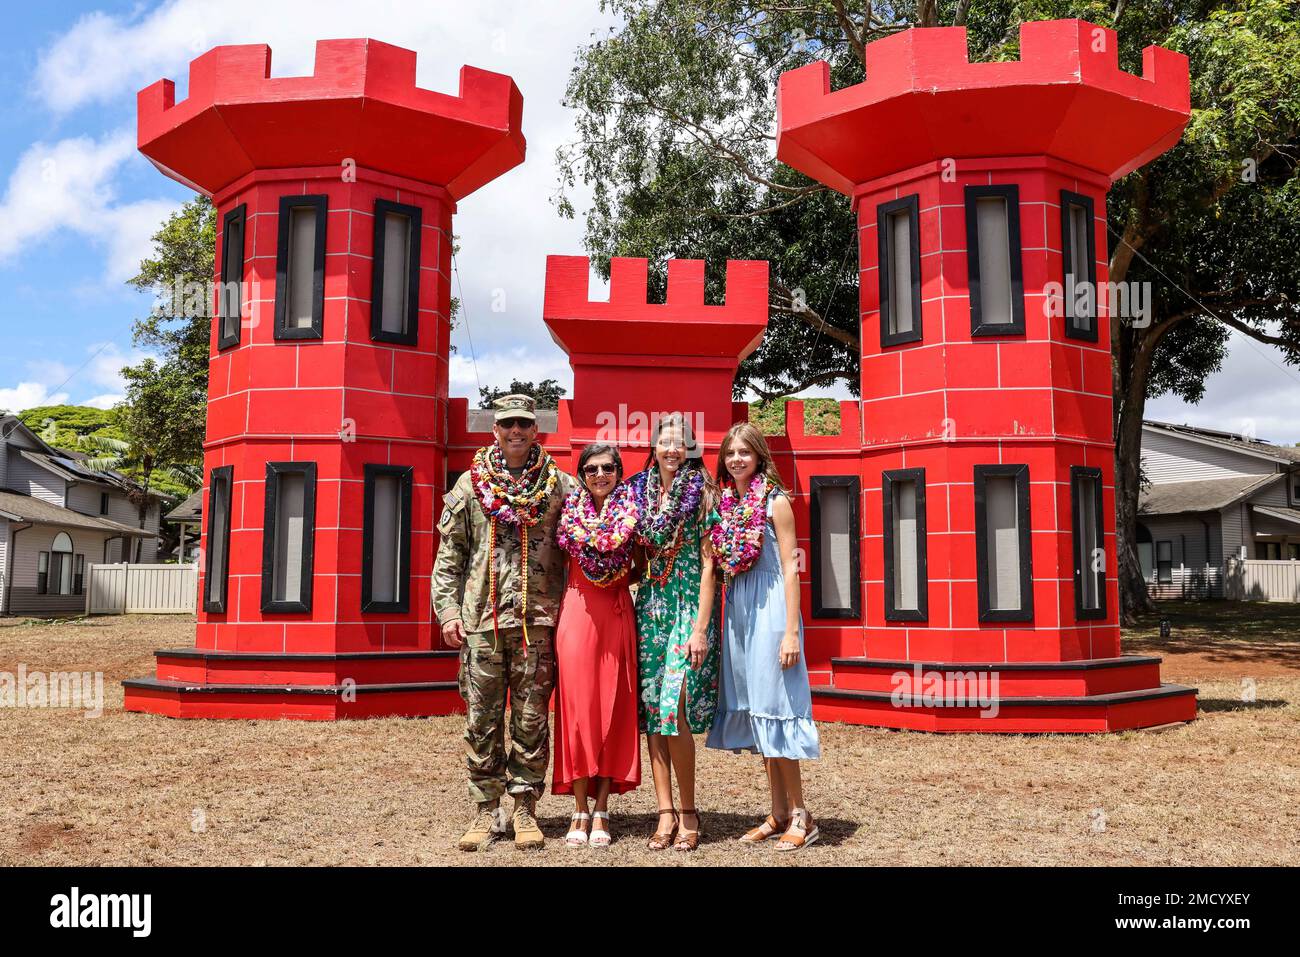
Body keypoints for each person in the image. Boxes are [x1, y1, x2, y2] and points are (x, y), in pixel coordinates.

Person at [433, 394, 575, 852]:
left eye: (524, 424)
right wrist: (449, 612)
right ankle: (485, 809)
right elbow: (449, 558)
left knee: (531, 720)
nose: (516, 431)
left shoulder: (560, 487)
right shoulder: (471, 486)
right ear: (494, 430)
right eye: (507, 424)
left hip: (538, 624)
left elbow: (587, 546)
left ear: (536, 430)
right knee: (482, 720)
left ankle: (524, 808)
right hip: (482, 623)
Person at [706, 421, 821, 851]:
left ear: (759, 457)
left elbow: (792, 567)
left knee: (778, 708)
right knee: (759, 711)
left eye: (745, 452)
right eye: (730, 452)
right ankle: (776, 812)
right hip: (739, 610)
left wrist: (791, 631)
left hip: (773, 609)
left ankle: (800, 815)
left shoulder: (776, 502)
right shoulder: (728, 505)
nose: (737, 459)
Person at [630, 411, 719, 851]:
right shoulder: (638, 492)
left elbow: (709, 565)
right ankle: (663, 810)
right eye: (664, 442)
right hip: (650, 607)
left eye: (680, 442)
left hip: (686, 607)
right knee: (652, 711)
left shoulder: (703, 494)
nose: (671, 449)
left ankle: (689, 809)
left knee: (674, 705)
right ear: (653, 446)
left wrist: (701, 628)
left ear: (690, 449)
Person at [552, 443, 642, 848]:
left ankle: (603, 807)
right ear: (582, 474)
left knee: (614, 708)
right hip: (577, 610)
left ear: (619, 472)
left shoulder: (634, 513)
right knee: (578, 709)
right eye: (591, 469)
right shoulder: (567, 512)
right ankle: (579, 806)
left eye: (608, 467)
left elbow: (644, 563)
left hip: (617, 613)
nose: (600, 474)